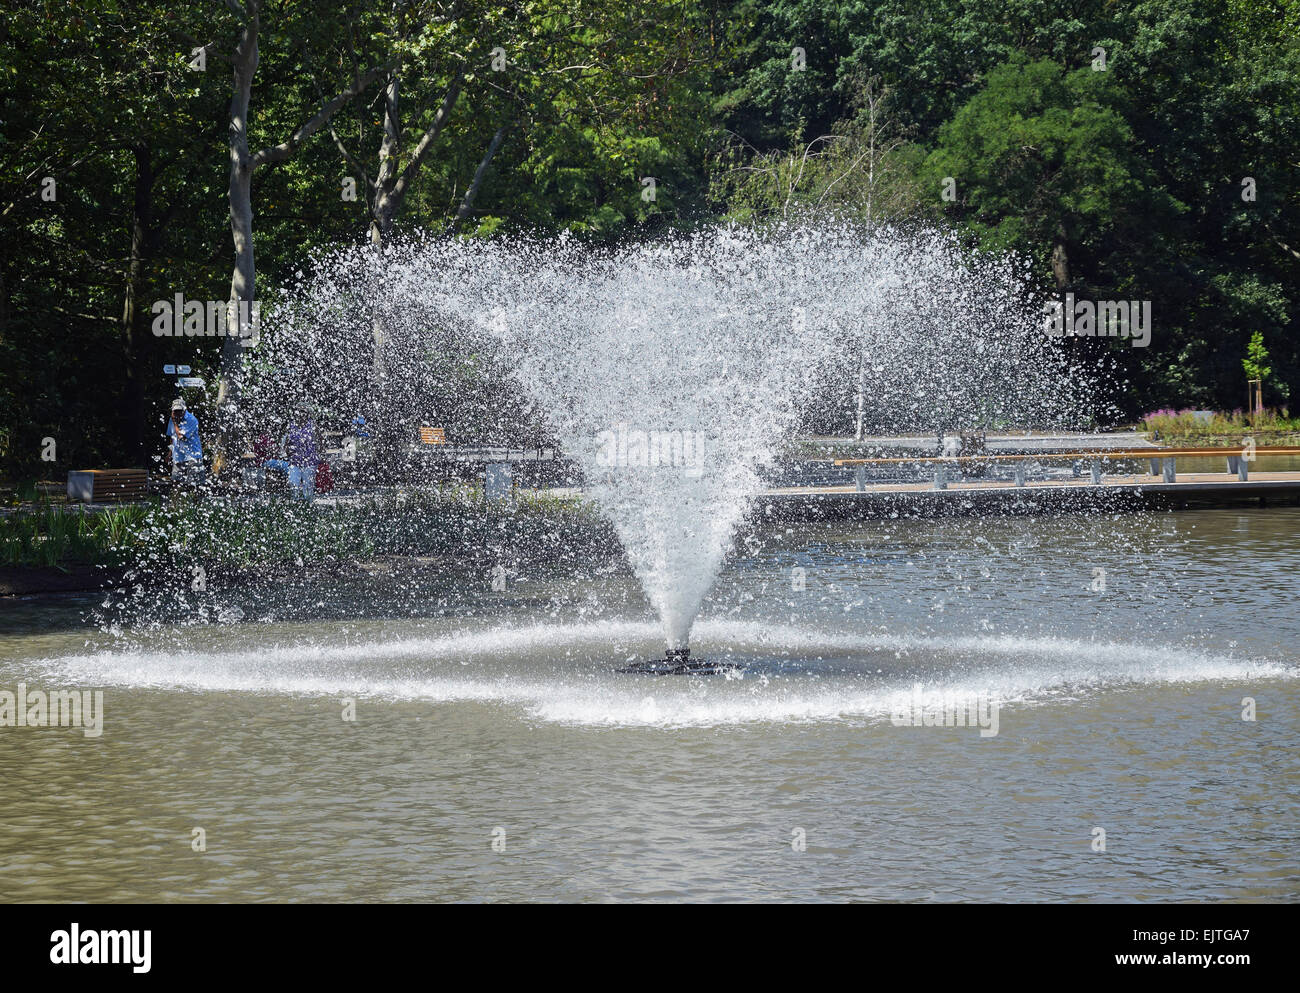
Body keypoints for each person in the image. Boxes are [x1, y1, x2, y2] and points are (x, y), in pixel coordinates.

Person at [167, 399, 204, 487]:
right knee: (175, 482)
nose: (178, 414)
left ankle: (196, 500)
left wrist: (175, 423)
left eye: (180, 411)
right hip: (178, 456)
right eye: (175, 411)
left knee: (194, 485)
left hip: (192, 456)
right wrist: (170, 453)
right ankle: (177, 500)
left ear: (184, 410)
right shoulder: (172, 419)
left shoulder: (191, 420)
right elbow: (172, 436)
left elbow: (180, 436)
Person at [282, 413, 318, 501]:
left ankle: (309, 502)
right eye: (299, 414)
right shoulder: (291, 426)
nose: (301, 416)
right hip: (294, 461)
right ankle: (295, 501)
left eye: (303, 413)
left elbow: (319, 439)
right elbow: (286, 442)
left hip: (309, 461)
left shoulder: (312, 426)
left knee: (308, 484)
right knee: (293, 483)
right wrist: (287, 452)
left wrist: (318, 453)